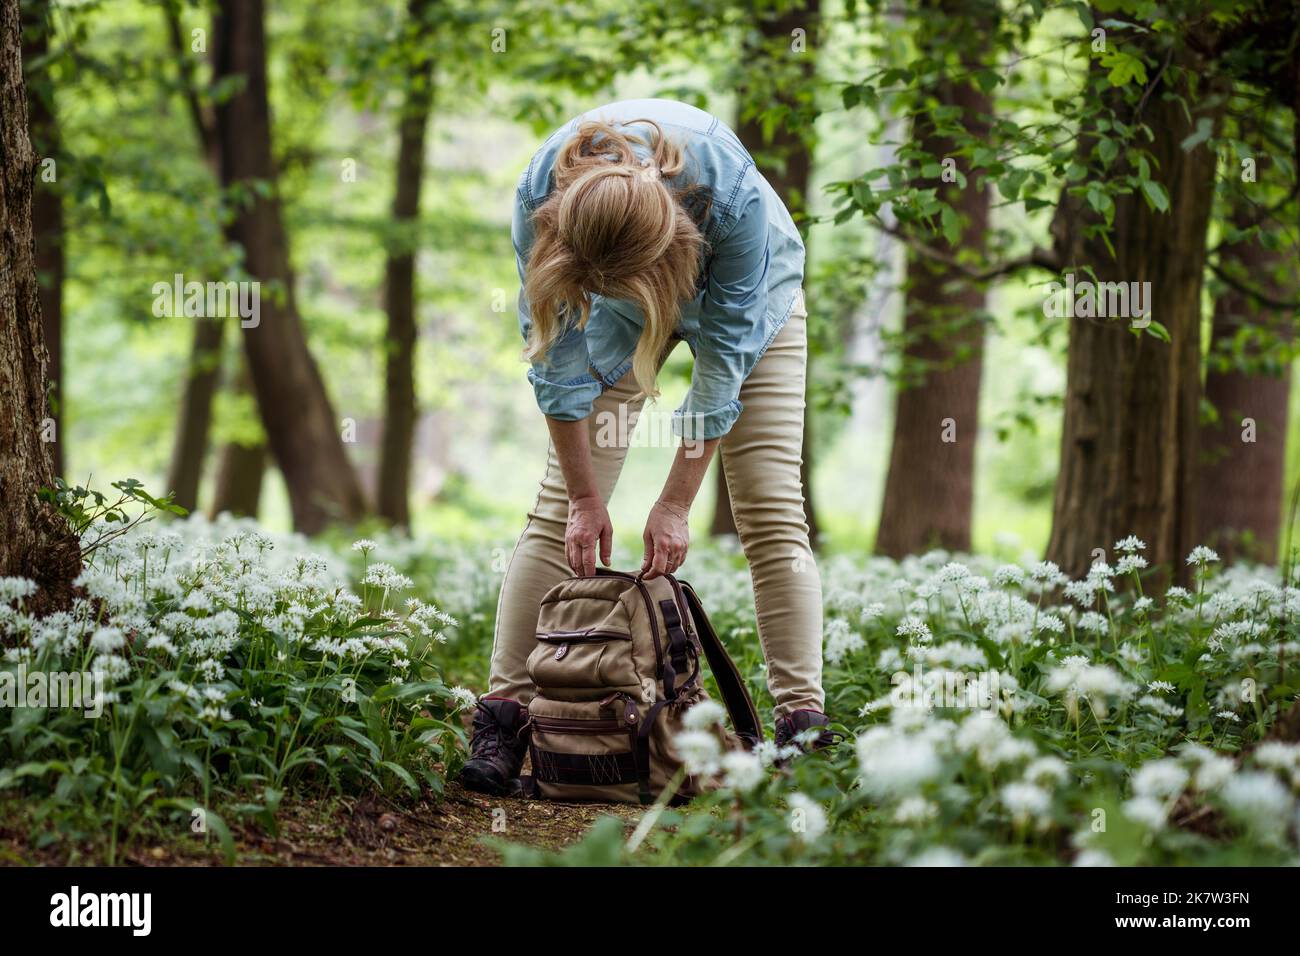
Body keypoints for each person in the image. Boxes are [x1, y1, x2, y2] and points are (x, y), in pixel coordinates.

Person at [461, 99, 831, 797]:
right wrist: (583, 500)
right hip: (611, 292)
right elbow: (556, 366)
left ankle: (801, 729)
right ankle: (504, 718)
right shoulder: (539, 193)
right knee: (553, 515)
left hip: (754, 302)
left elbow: (720, 376)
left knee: (771, 508)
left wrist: (674, 504)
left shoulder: (736, 205)